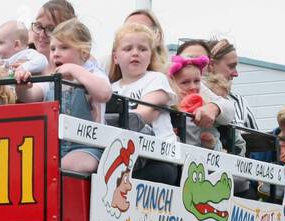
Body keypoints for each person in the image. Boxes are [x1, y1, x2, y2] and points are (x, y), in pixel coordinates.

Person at [14, 19, 110, 174]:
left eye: (64, 47)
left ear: (83, 53)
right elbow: (30, 96)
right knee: (24, 166)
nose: (56, 53)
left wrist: (74, 70)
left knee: (64, 166)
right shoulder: (52, 79)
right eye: (53, 49)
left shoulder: (93, 74)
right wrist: (22, 85)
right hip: (53, 148)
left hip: (87, 148)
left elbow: (104, 93)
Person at [108, 22, 177, 140]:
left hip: (158, 150)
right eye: (128, 48)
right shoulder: (111, 88)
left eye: (143, 49)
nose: (135, 53)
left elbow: (144, 114)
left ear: (151, 56)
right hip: (122, 147)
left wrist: (106, 123)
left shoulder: (156, 79)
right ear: (115, 58)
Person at [169, 54, 235, 149]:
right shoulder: (165, 100)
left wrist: (210, 144)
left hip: (198, 159)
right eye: (185, 82)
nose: (193, 87)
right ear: (172, 84)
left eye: (197, 81)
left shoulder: (203, 100)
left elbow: (229, 109)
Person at [29, 0, 76, 76]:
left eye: (51, 29)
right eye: (38, 26)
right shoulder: (24, 65)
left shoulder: (79, 68)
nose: (42, 34)